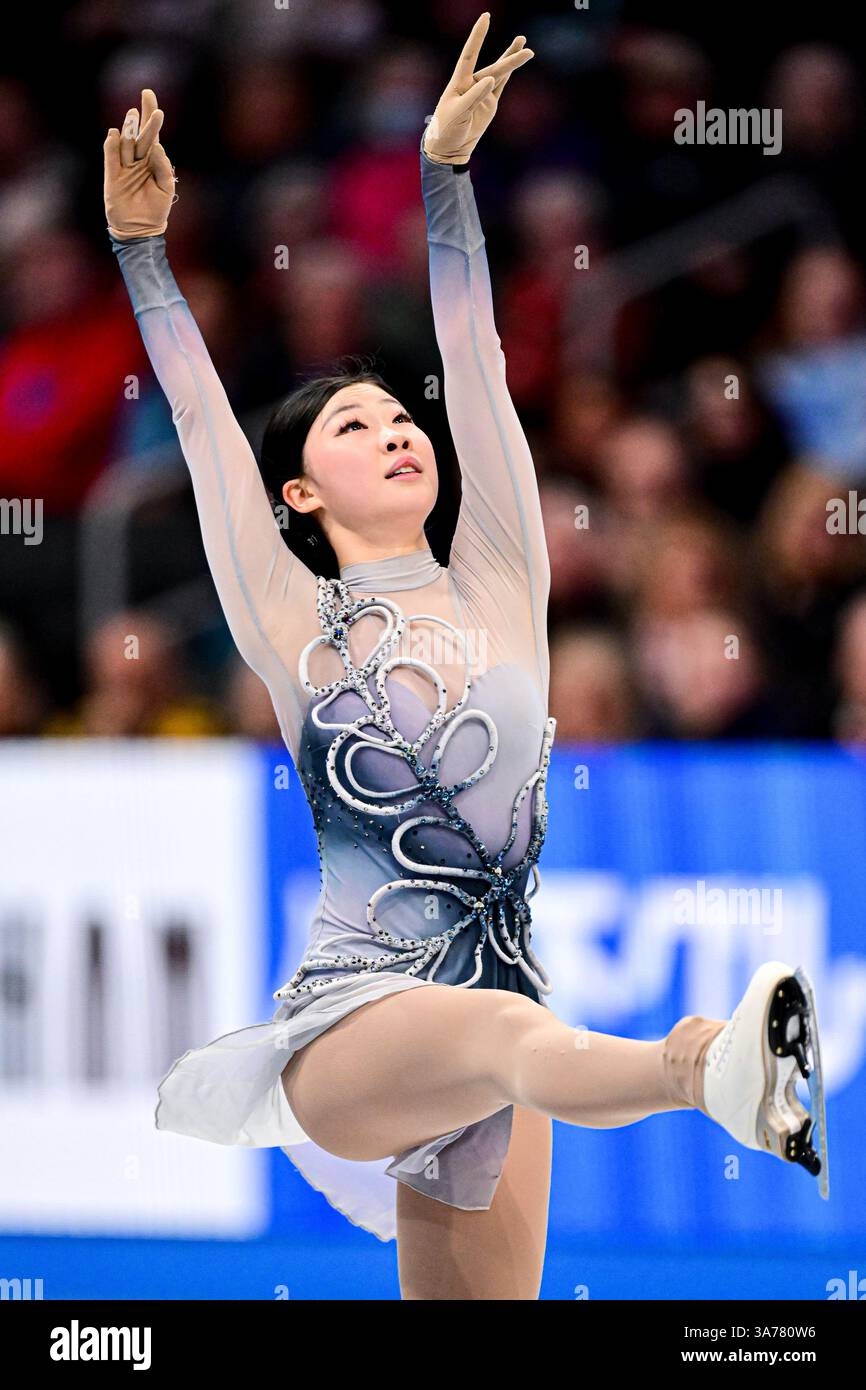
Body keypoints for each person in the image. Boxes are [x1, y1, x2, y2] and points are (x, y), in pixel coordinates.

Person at [102, 14, 828, 1300]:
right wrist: (144, 255)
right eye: (347, 425)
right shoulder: (287, 613)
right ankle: (702, 1068)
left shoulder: (501, 574)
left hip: (503, 1023)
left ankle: (699, 1071)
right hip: (356, 1025)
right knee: (509, 1034)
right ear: (299, 497)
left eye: (396, 415)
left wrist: (449, 181)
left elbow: (475, 360)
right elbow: (208, 431)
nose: (391, 431)